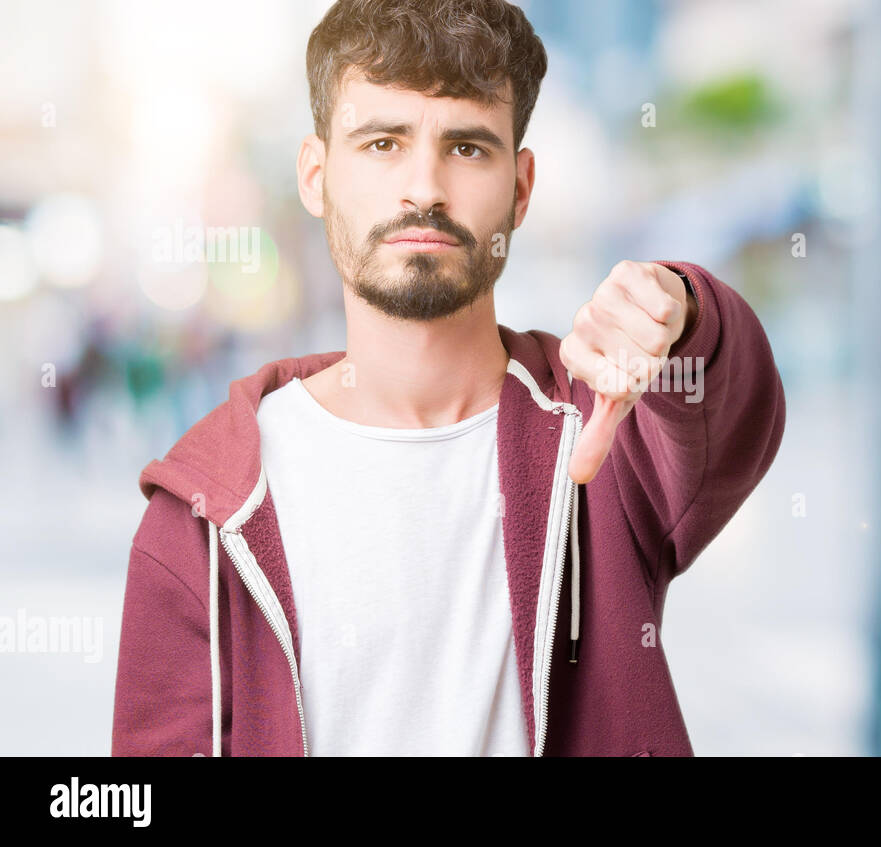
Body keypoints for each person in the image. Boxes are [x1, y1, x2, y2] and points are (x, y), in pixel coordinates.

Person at [111, 0, 785, 757]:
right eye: (382, 143)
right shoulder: (203, 516)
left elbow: (734, 406)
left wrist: (683, 311)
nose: (424, 188)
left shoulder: (602, 432)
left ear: (522, 188)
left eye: (467, 147)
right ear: (315, 175)